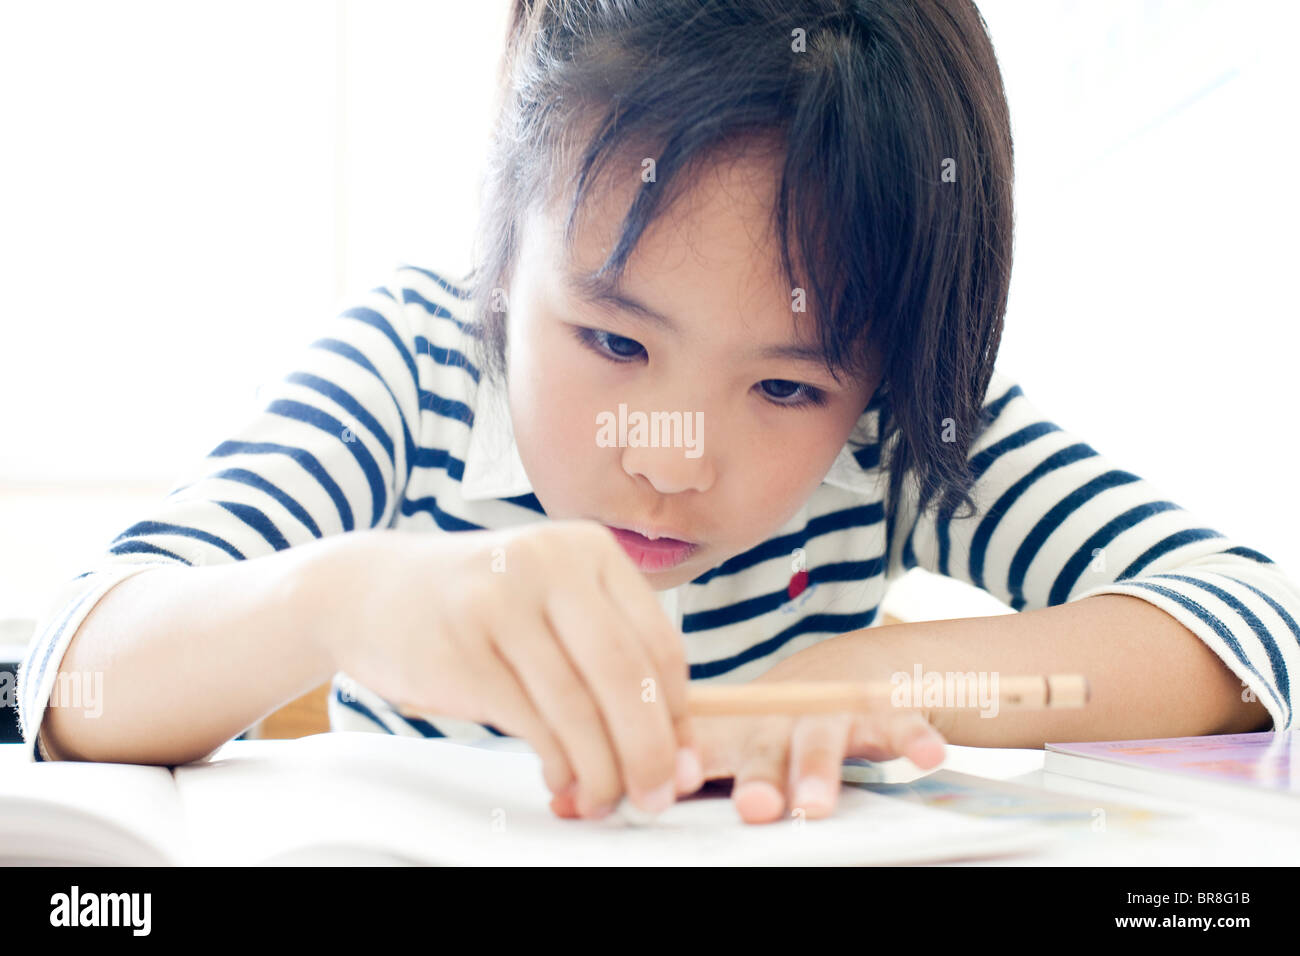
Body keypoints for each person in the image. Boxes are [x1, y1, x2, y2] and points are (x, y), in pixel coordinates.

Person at [19, 0, 1293, 826]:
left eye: (788, 385)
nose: (671, 459)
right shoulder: (413, 371)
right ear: (504, 258)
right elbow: (73, 673)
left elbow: (1255, 624)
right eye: (615, 339)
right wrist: (347, 598)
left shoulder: (899, 425)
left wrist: (870, 675)